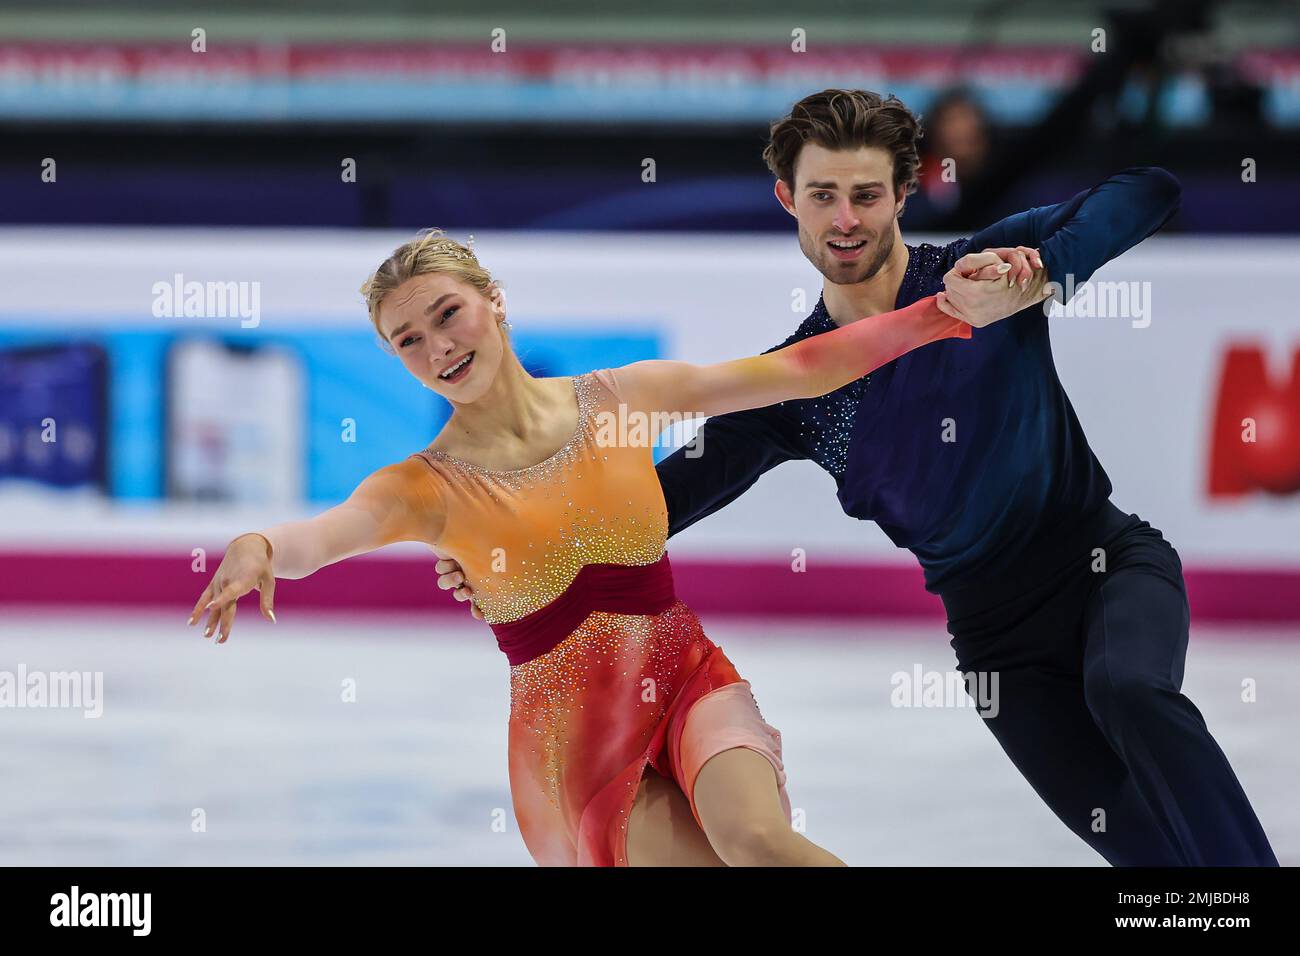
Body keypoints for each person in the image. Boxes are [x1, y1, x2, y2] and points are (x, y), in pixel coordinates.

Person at [439, 89, 1278, 866]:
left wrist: (1033, 278)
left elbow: (1150, 190)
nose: (845, 220)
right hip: (1001, 655)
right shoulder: (794, 385)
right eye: (823, 196)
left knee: (1129, 690)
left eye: (867, 195)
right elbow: (662, 499)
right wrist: (521, 552)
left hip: (1107, 570)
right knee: (1147, 858)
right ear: (787, 202)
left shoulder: (979, 271)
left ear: (903, 195)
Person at [186, 229, 1034, 867]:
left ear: (494, 301)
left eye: (448, 313)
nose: (439, 345)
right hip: (574, 747)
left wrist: (943, 313)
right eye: (410, 340)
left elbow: (795, 372)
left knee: (761, 845)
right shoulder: (425, 487)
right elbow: (322, 536)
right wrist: (260, 543)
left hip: (687, 675)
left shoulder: (620, 400)